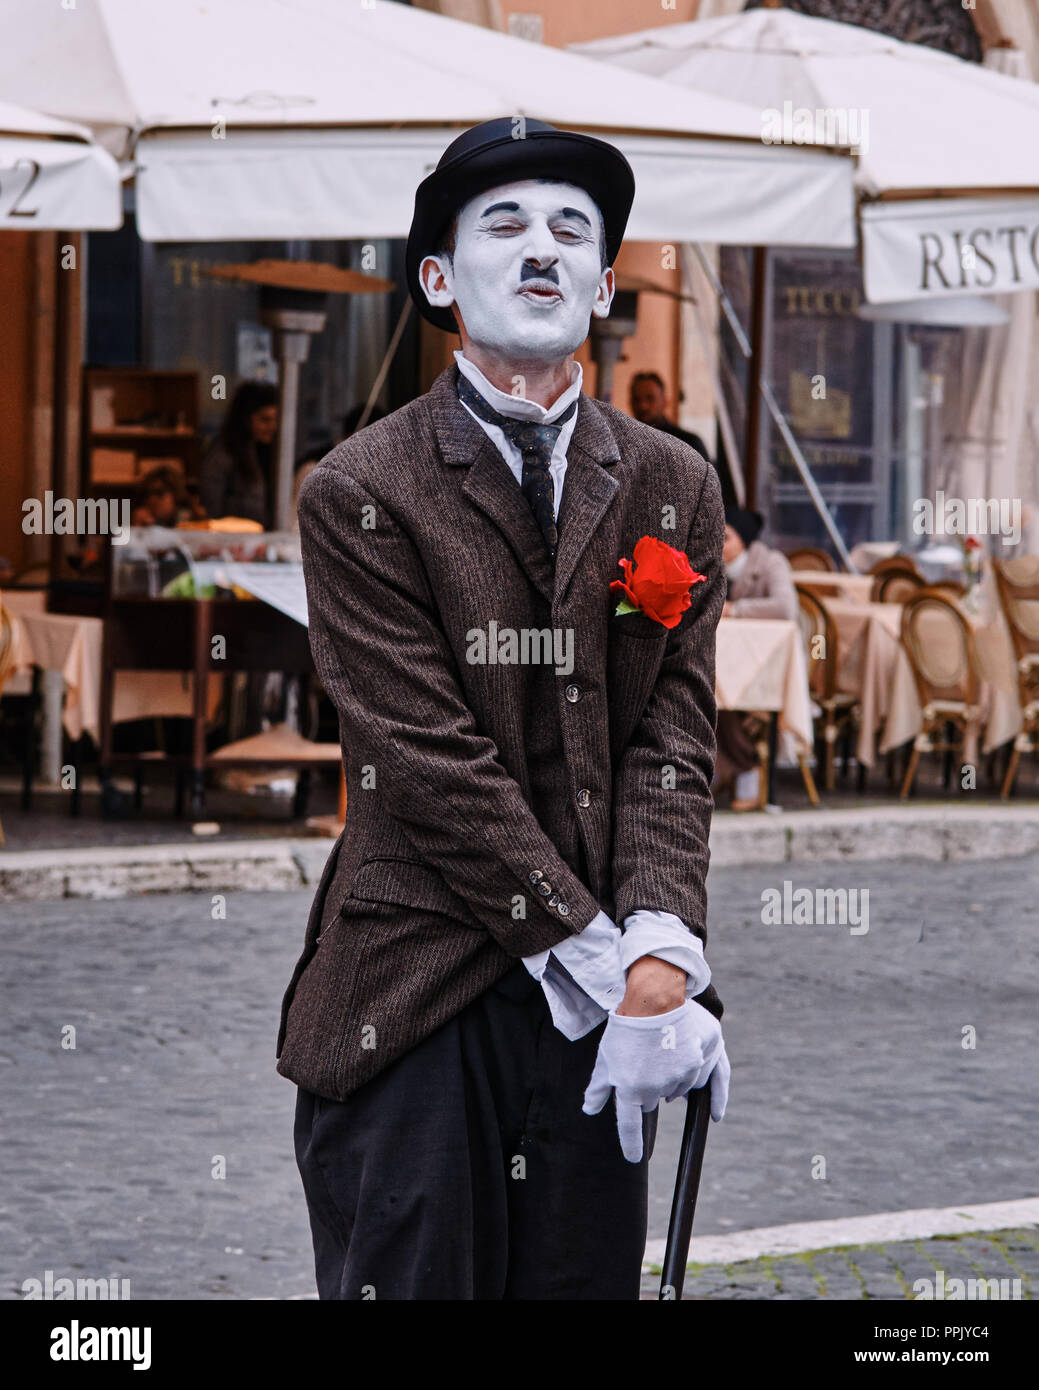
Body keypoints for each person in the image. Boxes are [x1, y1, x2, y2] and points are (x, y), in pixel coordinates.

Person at [277, 117, 729, 1301]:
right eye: (506, 226)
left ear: (602, 284)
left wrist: (665, 957)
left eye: (572, 231)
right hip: (416, 991)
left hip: (597, 1020)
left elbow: (671, 739)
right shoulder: (362, 489)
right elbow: (426, 762)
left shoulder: (674, 483)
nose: (543, 250)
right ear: (439, 279)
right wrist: (608, 967)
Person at [715, 506, 799, 811]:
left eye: (725, 537)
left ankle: (745, 769)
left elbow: (785, 608)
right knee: (712, 689)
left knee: (727, 694)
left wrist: (735, 609)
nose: (718, 543)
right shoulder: (713, 565)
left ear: (745, 542)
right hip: (731, 660)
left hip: (769, 666)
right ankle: (727, 769)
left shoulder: (771, 563)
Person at [629, 370, 737, 508]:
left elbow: (709, 494)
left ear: (665, 401)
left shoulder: (688, 443)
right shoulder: (626, 445)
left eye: (650, 398)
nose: (643, 406)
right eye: (636, 399)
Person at [198, 382, 278, 528]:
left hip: (261, 540)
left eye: (276, 420)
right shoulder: (223, 453)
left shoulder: (271, 452)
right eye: (265, 420)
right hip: (230, 541)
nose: (272, 427)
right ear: (245, 419)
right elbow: (211, 507)